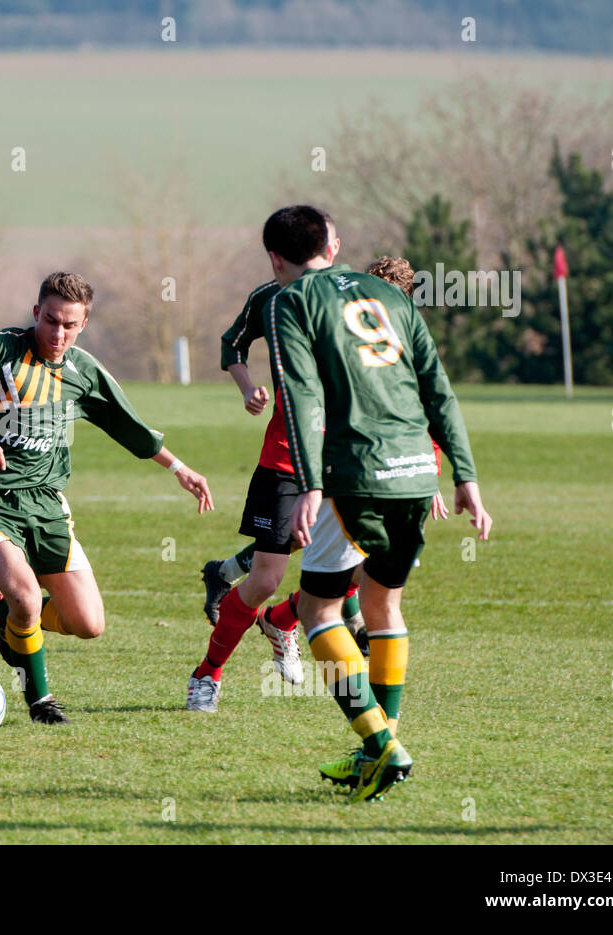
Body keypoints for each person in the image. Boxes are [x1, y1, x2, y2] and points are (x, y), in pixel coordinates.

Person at [261, 205, 491, 802]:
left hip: (355, 473)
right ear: (331, 246)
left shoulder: (289, 301)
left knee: (318, 612)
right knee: (384, 609)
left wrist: (311, 483)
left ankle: (381, 744)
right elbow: (437, 385)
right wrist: (464, 475)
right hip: (417, 473)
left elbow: (301, 392)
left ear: (274, 259)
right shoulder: (388, 294)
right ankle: (377, 747)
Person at [0, 271, 214, 724]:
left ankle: (6, 612)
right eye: (51, 320)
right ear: (36, 313)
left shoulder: (83, 371)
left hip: (49, 504)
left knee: (88, 625)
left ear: (84, 323)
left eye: (69, 325)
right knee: (28, 599)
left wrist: (180, 468)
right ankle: (40, 701)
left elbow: (127, 426)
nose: (58, 333)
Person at [188, 217, 346, 714]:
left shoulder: (352, 298)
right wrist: (247, 385)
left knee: (358, 573)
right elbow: (230, 343)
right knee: (265, 577)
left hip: (344, 459)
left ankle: (281, 620)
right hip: (286, 458)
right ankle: (207, 673)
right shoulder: (271, 299)